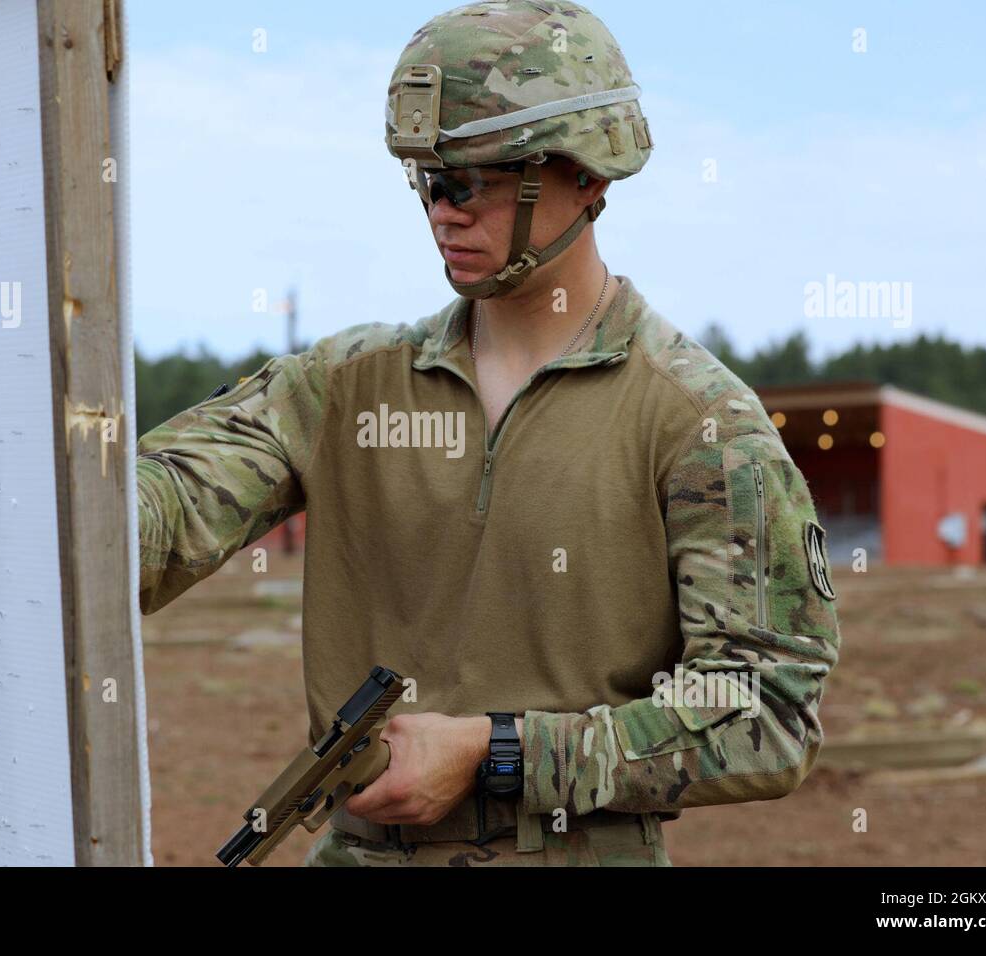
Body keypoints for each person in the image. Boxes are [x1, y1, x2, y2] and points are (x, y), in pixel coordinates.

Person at [136, 0, 841, 867]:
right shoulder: (343, 386)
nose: (442, 213)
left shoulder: (700, 425)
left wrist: (498, 753)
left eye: (471, 182)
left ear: (588, 173)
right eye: (428, 182)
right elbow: (151, 516)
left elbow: (767, 713)